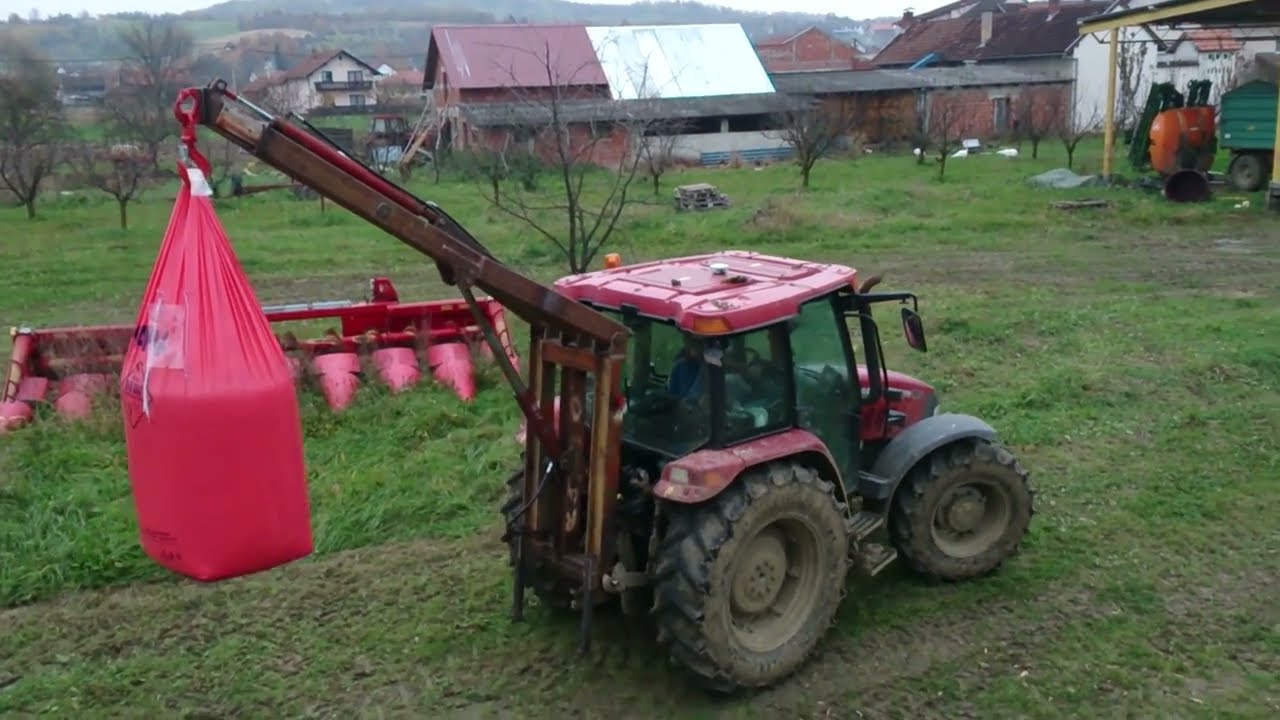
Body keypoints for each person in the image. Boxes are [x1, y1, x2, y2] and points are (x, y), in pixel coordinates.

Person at [668, 334, 705, 401]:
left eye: (699, 343)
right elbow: (671, 394)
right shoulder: (679, 366)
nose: (697, 347)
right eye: (693, 343)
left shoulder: (711, 370)